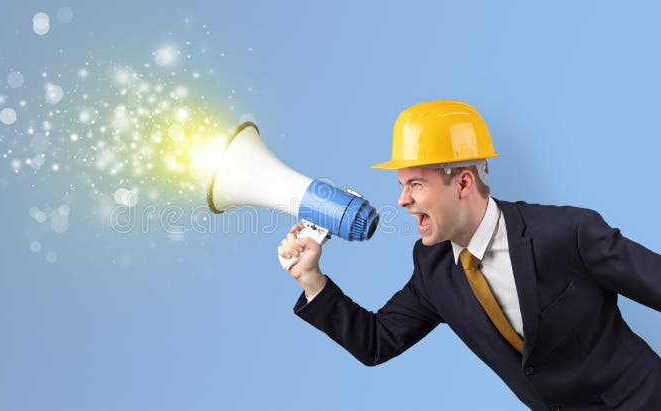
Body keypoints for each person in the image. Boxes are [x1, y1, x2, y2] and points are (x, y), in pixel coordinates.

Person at [277, 100, 661, 410]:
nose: (402, 200)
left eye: (415, 183)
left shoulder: (567, 232)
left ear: (463, 182)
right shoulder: (434, 270)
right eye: (401, 184)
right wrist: (312, 279)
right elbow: (377, 341)